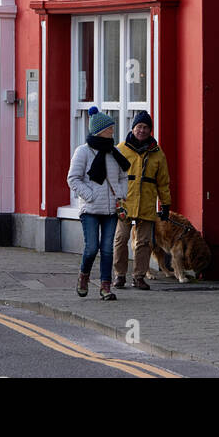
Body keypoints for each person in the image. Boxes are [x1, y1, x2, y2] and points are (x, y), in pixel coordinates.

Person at [67, 108, 130, 301]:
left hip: (111, 210)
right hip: (91, 209)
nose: (113, 130)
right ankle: (83, 277)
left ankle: (105, 287)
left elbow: (123, 177)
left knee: (108, 249)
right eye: (110, 128)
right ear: (100, 130)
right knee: (92, 248)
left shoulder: (114, 152)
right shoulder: (83, 152)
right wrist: (90, 195)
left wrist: (120, 194)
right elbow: (73, 179)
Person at [112, 110, 172, 290]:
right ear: (133, 128)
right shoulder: (121, 149)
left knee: (144, 243)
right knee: (121, 239)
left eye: (146, 127)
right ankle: (119, 275)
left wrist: (166, 204)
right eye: (139, 127)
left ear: (150, 130)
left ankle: (139, 276)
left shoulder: (157, 153)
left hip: (146, 203)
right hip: (125, 202)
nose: (142, 130)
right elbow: (112, 177)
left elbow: (163, 181)